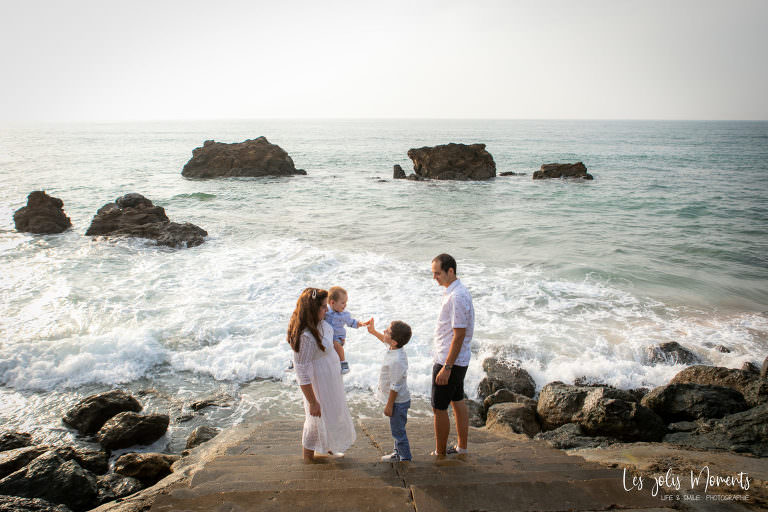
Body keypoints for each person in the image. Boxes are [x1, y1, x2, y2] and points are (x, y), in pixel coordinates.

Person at [287, 287, 356, 463]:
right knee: (314, 421)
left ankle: (330, 447)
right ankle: (308, 460)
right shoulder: (305, 336)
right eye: (324, 307)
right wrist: (312, 401)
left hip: (331, 380)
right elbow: (301, 372)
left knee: (332, 415)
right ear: (312, 309)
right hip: (318, 384)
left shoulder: (321, 322)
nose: (327, 310)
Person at [430, 253, 474, 457]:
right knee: (457, 401)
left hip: (450, 361)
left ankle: (440, 454)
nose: (434, 278)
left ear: (450, 271)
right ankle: (462, 448)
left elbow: (459, 334)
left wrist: (447, 367)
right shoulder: (454, 291)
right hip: (457, 359)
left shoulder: (457, 296)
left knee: (439, 408)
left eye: (437, 273)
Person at [366, 318, 412, 462]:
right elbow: (385, 340)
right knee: (397, 429)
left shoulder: (397, 360)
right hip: (398, 401)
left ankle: (405, 458)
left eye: (388, 330)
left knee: (398, 432)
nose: (384, 330)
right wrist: (373, 332)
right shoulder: (394, 348)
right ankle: (398, 453)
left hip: (397, 402)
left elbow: (395, 386)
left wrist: (389, 405)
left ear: (394, 342)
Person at [325, 286, 368, 375]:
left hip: (337, 337)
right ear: (332, 302)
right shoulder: (326, 311)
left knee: (336, 344)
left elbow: (351, 322)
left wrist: (361, 324)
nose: (345, 305)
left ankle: (343, 363)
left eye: (346, 302)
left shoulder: (345, 315)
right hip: (326, 336)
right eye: (343, 303)